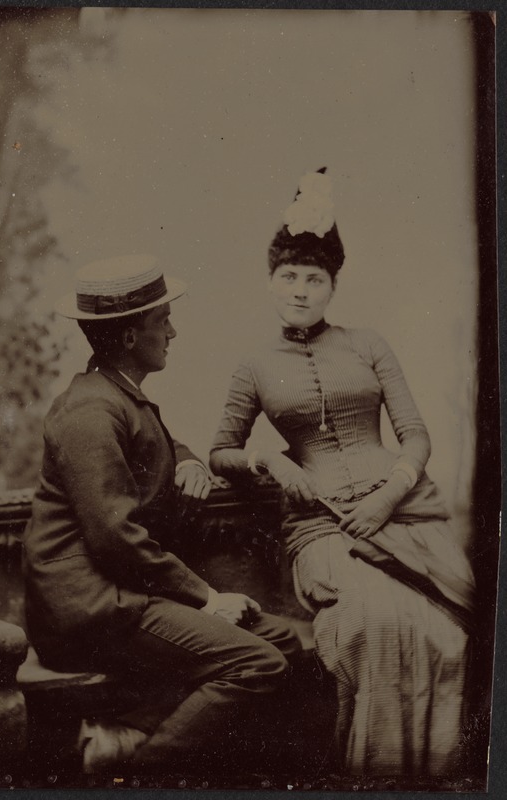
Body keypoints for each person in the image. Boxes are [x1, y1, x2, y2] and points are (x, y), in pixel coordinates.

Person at [209, 169, 475, 778]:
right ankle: (373, 777)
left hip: (403, 514)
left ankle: (438, 775)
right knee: (379, 621)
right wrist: (270, 459)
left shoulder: (369, 344)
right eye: (288, 277)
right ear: (271, 281)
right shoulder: (253, 365)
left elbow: (416, 435)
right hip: (322, 530)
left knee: (452, 634)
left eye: (314, 278)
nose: (300, 291)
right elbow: (222, 448)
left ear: (333, 285)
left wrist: (388, 497)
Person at [22, 254, 302, 776]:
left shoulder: (115, 397)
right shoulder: (89, 411)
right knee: (258, 663)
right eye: (162, 322)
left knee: (283, 638)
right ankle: (142, 774)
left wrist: (192, 460)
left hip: (117, 595)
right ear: (129, 337)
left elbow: (154, 441)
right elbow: (113, 537)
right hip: (89, 611)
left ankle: (126, 731)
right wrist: (208, 598)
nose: (172, 332)